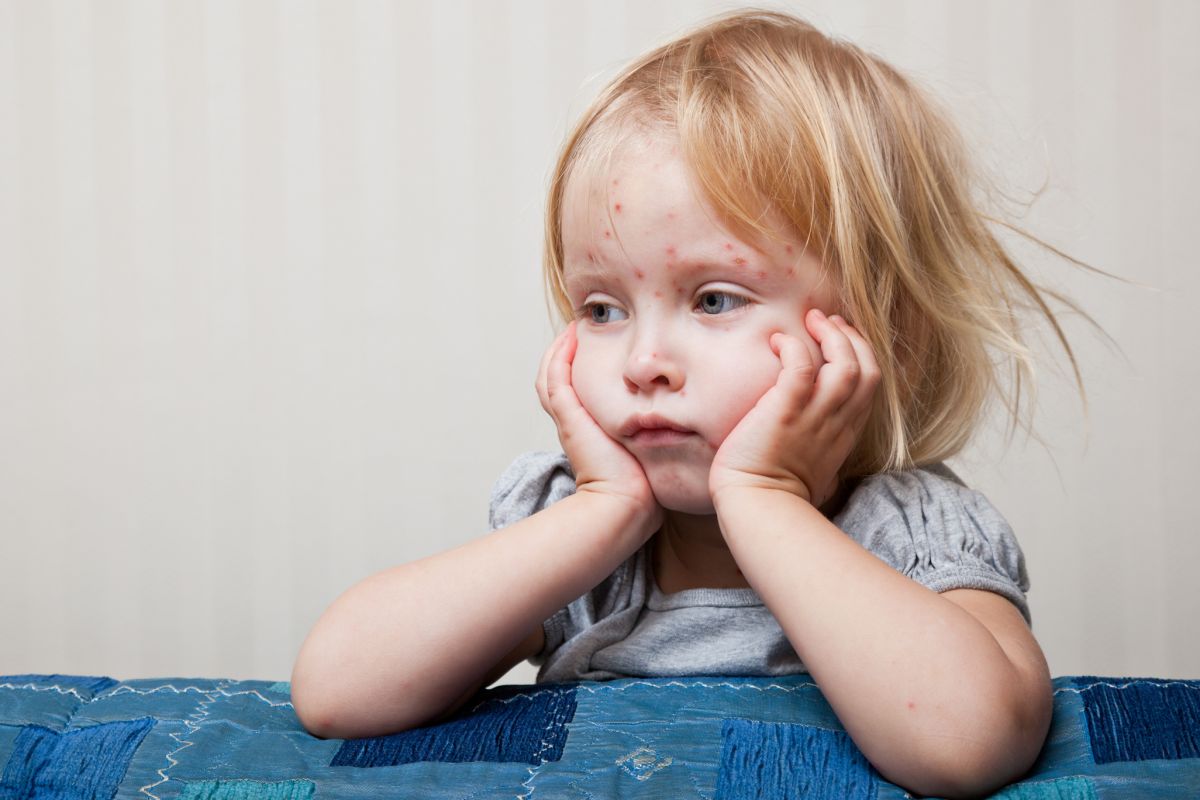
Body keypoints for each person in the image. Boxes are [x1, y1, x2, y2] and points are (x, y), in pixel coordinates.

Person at [292, 9, 1108, 797]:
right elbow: (335, 692)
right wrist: (599, 513)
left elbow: (969, 744)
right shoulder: (590, 550)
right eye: (602, 310)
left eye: (715, 300)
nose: (643, 362)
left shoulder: (910, 530)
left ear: (886, 337)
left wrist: (764, 501)